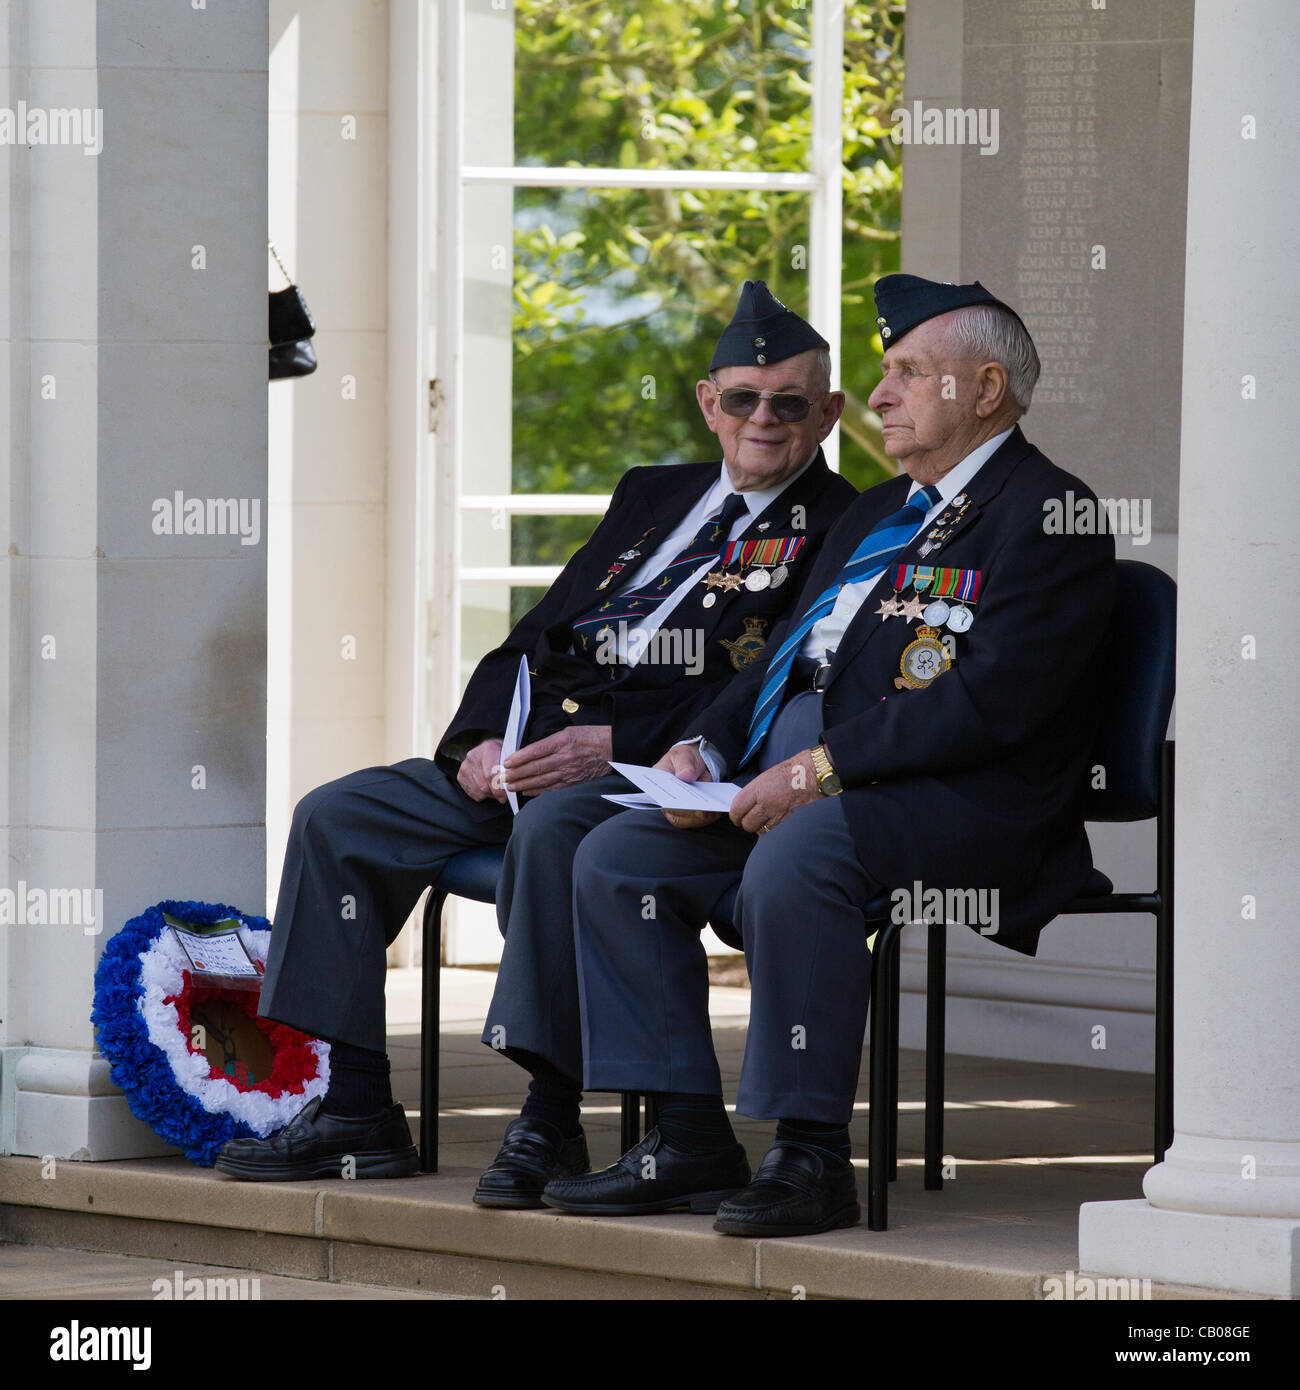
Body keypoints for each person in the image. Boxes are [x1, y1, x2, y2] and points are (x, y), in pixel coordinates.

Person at [214, 281, 856, 1182]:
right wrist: (477, 743)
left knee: (557, 833)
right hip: (527, 753)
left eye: (790, 404)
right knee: (339, 814)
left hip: (652, 777)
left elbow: (767, 674)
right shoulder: (652, 494)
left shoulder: (842, 522)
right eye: (742, 398)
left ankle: (550, 1114)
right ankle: (357, 1109)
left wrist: (616, 745)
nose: (764, 420)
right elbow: (536, 634)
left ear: (827, 413)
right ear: (709, 403)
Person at [531, 274, 1117, 1236]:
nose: (881, 395)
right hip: (806, 782)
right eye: (885, 372)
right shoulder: (881, 508)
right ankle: (687, 1137)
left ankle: (809, 1157)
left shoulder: (1051, 514)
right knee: (614, 856)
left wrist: (819, 770)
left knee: (802, 859)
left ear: (986, 390)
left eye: (909, 373)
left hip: (957, 800)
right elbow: (784, 660)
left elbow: (988, 704)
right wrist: (698, 746)